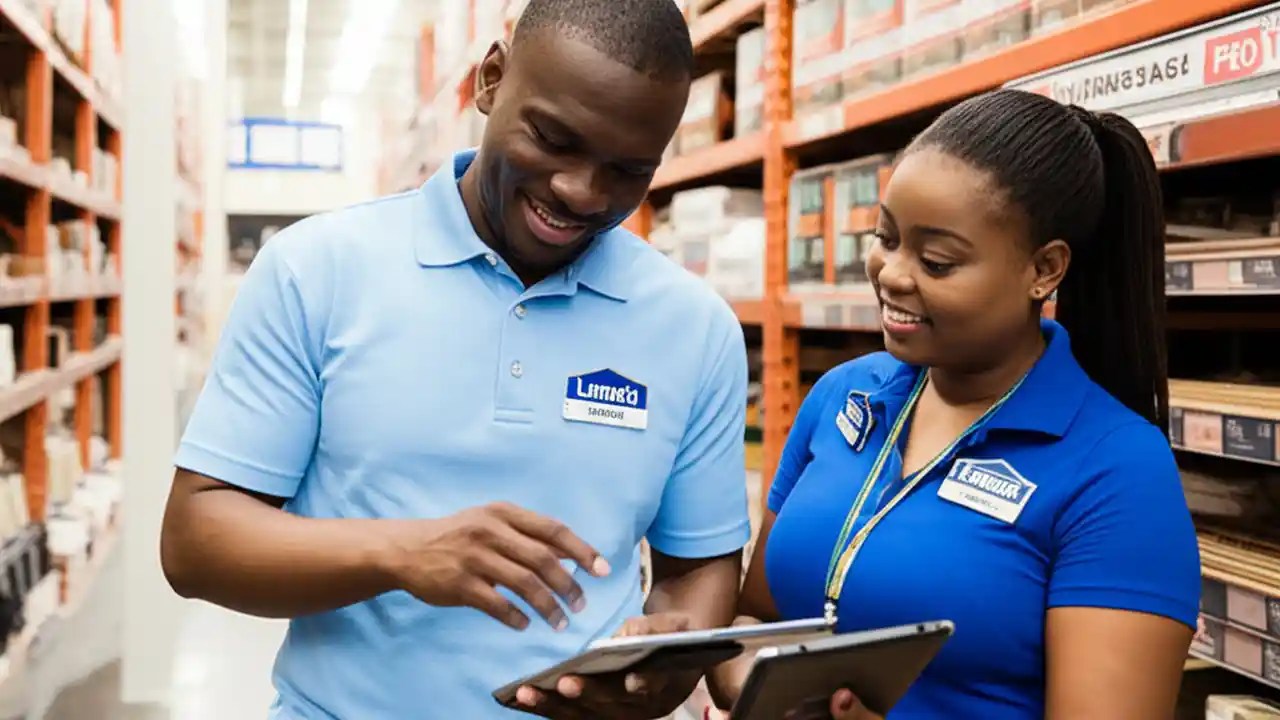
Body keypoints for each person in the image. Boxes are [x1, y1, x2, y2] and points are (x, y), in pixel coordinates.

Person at [159, 1, 753, 718]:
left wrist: (667, 663)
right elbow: (196, 543)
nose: (581, 192)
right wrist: (402, 553)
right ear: (491, 80)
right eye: (553, 139)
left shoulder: (695, 328)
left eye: (627, 171)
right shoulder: (317, 272)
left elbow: (698, 568)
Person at [707, 88, 1201, 719]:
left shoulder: (1118, 470)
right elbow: (756, 618)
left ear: (1043, 270)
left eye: (937, 261)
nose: (891, 273)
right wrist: (752, 684)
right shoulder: (842, 397)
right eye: (885, 236)